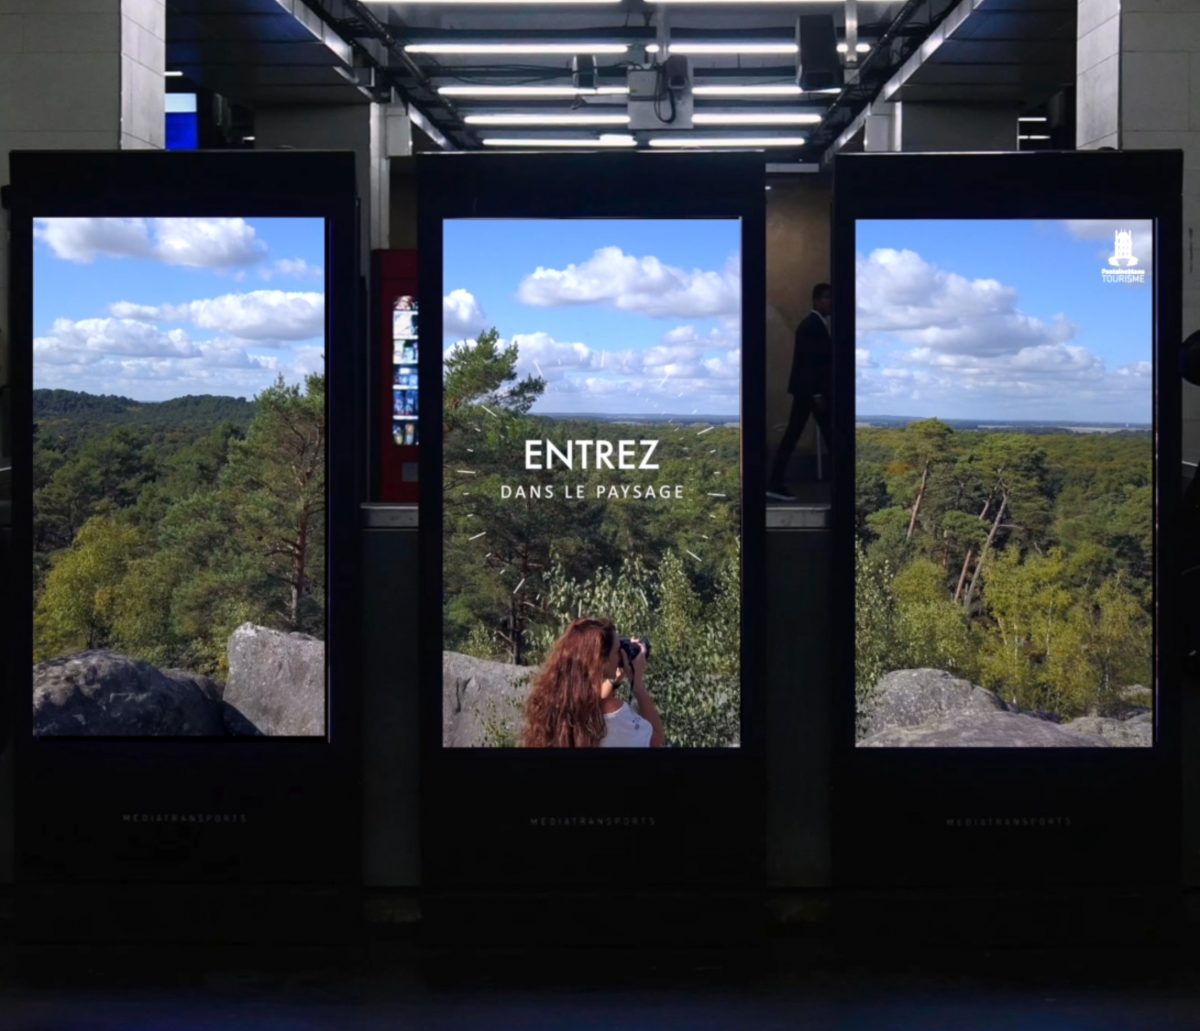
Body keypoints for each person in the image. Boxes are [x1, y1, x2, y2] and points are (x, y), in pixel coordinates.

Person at [522, 617, 666, 748]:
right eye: (617, 650)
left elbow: (594, 704)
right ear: (600, 661)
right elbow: (657, 741)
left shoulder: (555, 705)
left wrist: (614, 681)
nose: (620, 655)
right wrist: (638, 685)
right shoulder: (614, 711)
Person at [768, 282, 833, 499]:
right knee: (829, 436)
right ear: (815, 300)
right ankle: (774, 482)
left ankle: (775, 481)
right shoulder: (811, 325)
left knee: (795, 435)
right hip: (811, 392)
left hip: (807, 392)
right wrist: (816, 393)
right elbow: (808, 363)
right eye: (825, 298)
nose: (829, 302)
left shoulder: (817, 324)